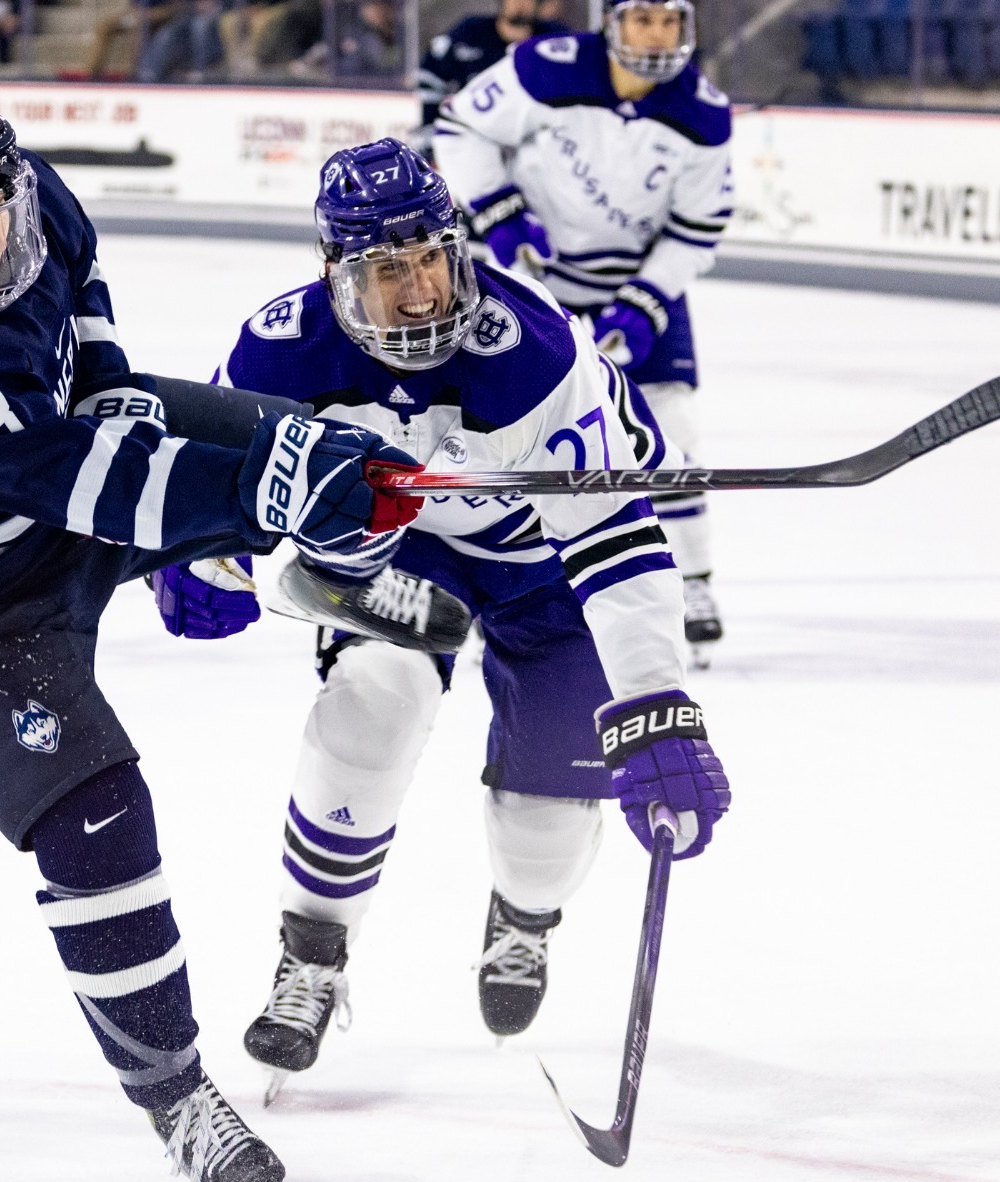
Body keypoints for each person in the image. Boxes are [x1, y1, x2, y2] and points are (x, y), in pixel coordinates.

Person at [0, 74, 427, 1182]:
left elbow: (79, 289)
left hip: (54, 481)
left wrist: (105, 389)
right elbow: (90, 484)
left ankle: (271, 563)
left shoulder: (21, 191)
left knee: (305, 449)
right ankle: (174, 1092)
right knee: (97, 822)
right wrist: (244, 499)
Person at [204, 139, 731, 1097]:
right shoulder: (278, 350)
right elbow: (229, 490)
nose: (419, 295)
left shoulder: (536, 354)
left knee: (547, 830)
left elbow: (616, 536)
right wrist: (213, 563)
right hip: (396, 553)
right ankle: (314, 955)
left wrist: (657, 706)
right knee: (372, 705)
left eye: (433, 259)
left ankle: (524, 918)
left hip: (544, 564)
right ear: (334, 276)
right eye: (386, 271)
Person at [435, 0, 735, 661]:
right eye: (642, 19)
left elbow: (696, 231)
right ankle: (510, 575)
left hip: (634, 285)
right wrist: (500, 216)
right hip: (534, 276)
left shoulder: (705, 113)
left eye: (669, 21)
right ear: (612, 22)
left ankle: (695, 581)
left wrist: (645, 300)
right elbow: (460, 127)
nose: (656, 36)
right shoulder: (548, 68)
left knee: (670, 437)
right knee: (504, 431)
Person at [417, 0, 569, 128]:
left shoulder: (553, 38)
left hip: (533, 138)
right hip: (475, 136)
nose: (520, 3)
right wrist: (430, 125)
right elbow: (430, 72)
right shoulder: (470, 32)